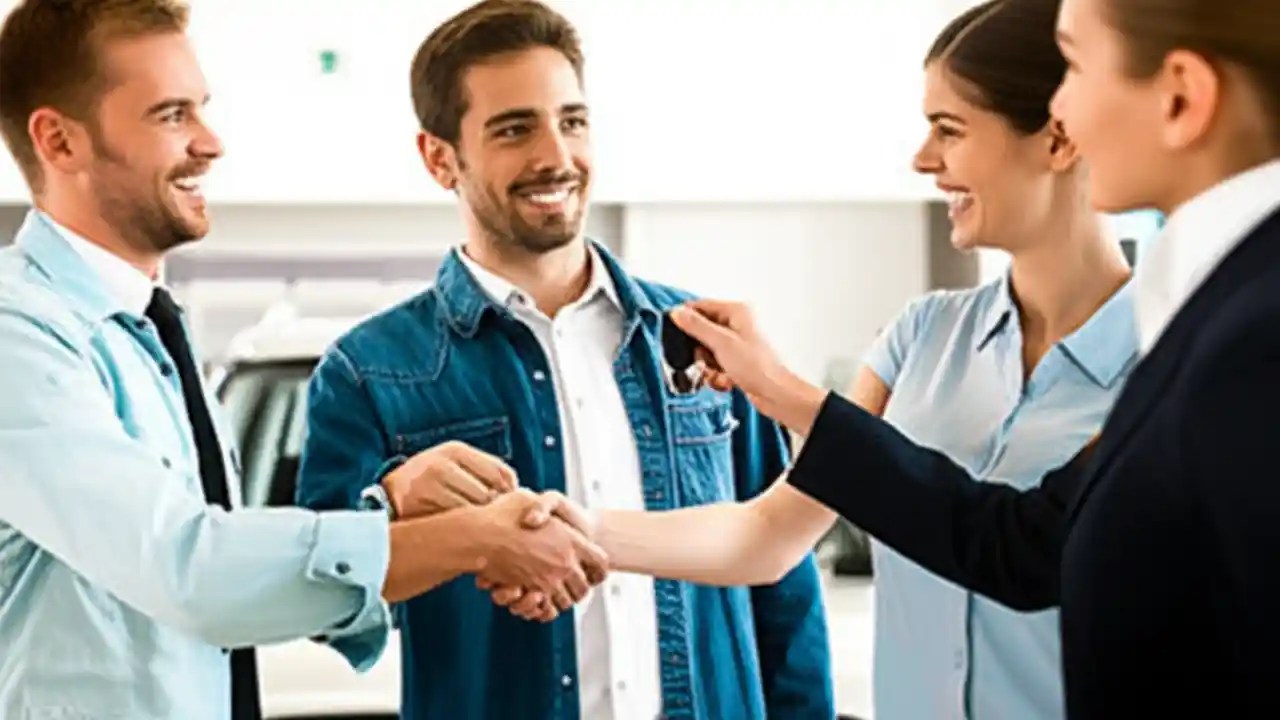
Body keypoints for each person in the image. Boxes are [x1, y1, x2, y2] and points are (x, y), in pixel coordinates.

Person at [496, 0, 1280, 716]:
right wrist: (569, 527)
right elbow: (773, 536)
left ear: (1058, 137)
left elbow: (1025, 551)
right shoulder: (924, 335)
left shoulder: (1202, 343)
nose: (922, 159)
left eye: (950, 127)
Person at [0, 2, 606, 718]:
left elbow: (213, 565)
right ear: (58, 141)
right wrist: (471, 539)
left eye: (201, 109)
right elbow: (188, 569)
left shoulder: (148, 332)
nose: (211, 142)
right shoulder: (21, 337)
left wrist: (394, 507)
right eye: (171, 116)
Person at [293, 2, 833, 719]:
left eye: (572, 121)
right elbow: (325, 604)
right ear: (439, 157)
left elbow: (784, 588)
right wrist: (395, 509)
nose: (556, 156)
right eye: (515, 129)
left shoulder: (704, 342)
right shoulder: (367, 374)